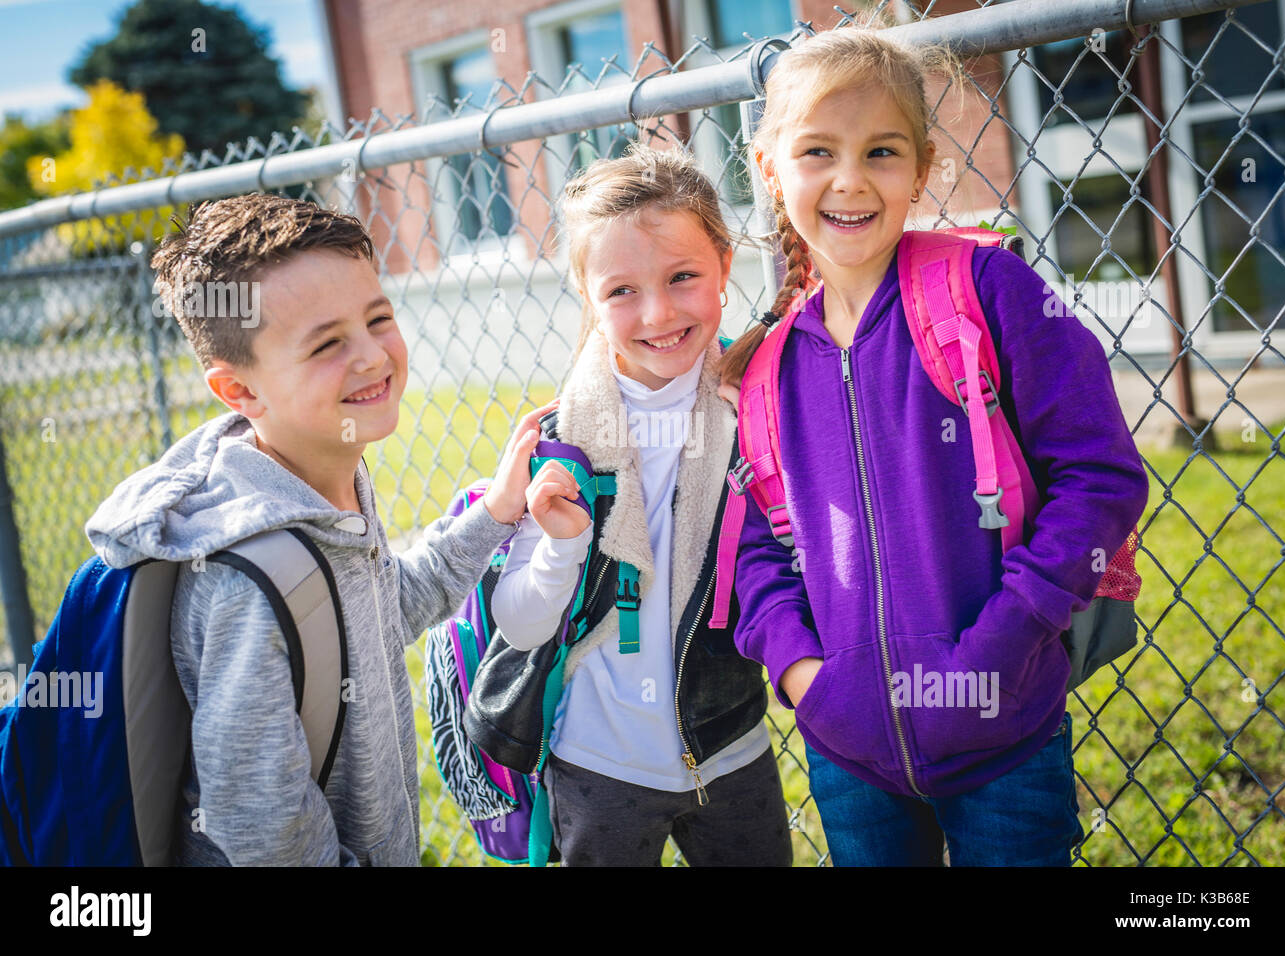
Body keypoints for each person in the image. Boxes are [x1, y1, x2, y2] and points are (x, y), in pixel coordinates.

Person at [719, 24, 1149, 866]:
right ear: (770, 169)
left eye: (881, 151)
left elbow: (1100, 476)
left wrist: (1008, 641)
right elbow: (755, 549)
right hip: (850, 757)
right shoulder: (765, 369)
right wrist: (810, 682)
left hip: (1006, 733)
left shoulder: (988, 290)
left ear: (920, 169)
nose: (851, 180)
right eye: (817, 151)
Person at [85, 194, 565, 865]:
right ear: (239, 393)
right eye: (328, 343)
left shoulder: (316, 485)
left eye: (378, 319)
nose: (371, 356)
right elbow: (262, 828)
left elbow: (380, 612)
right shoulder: (246, 574)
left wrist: (496, 514)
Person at [490, 144, 792, 867]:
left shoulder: (760, 404)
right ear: (587, 297)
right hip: (598, 764)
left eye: (683, 277)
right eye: (622, 291)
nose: (657, 313)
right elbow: (520, 622)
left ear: (724, 265)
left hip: (729, 746)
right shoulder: (563, 439)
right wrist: (563, 543)